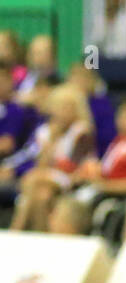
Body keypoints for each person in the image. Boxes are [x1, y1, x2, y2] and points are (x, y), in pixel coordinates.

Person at [6, 85, 96, 230]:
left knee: (32, 179)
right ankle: (40, 235)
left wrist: (53, 157)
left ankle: (15, 229)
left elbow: (73, 165)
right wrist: (51, 144)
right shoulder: (45, 131)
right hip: (47, 178)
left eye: (68, 107)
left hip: (72, 178)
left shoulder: (82, 132)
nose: (63, 112)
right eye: (60, 107)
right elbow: (38, 162)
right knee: (42, 196)